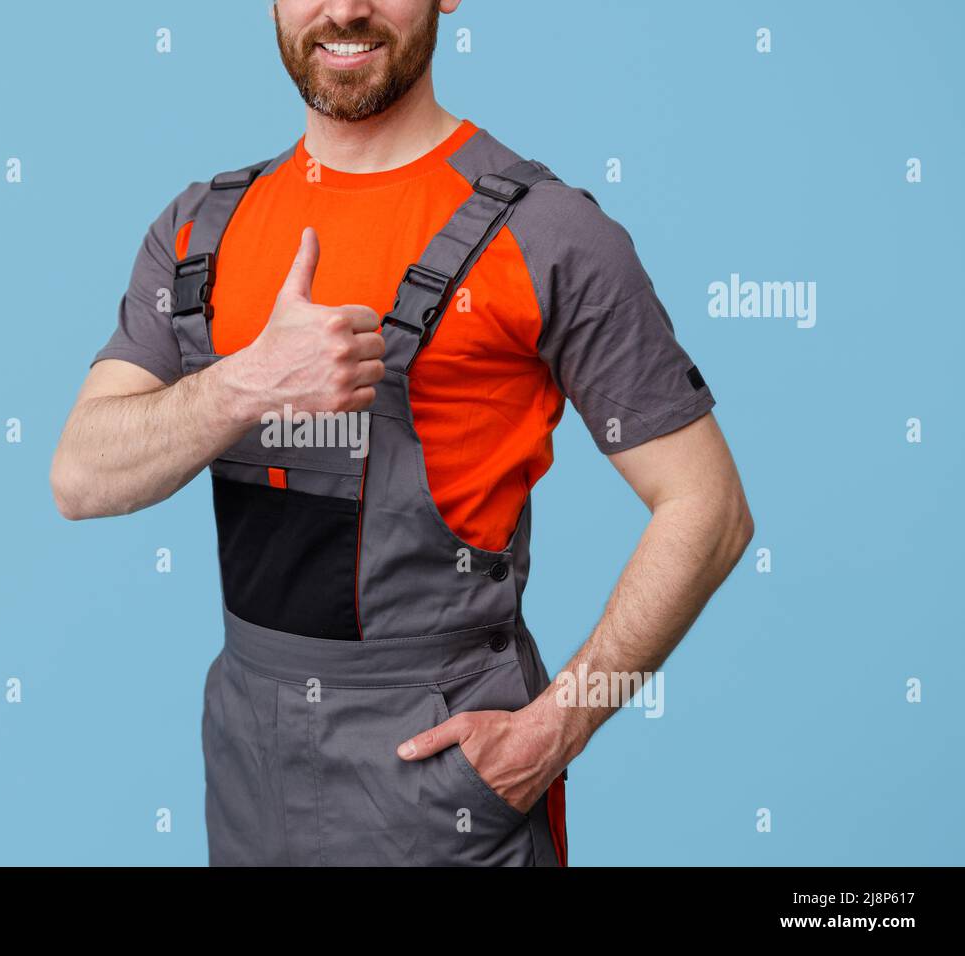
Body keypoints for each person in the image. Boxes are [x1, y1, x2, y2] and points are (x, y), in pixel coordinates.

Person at [51, 0, 753, 866]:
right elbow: (80, 478)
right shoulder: (198, 230)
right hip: (248, 770)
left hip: (442, 784)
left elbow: (709, 510)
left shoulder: (549, 233)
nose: (344, 9)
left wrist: (557, 729)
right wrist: (243, 383)